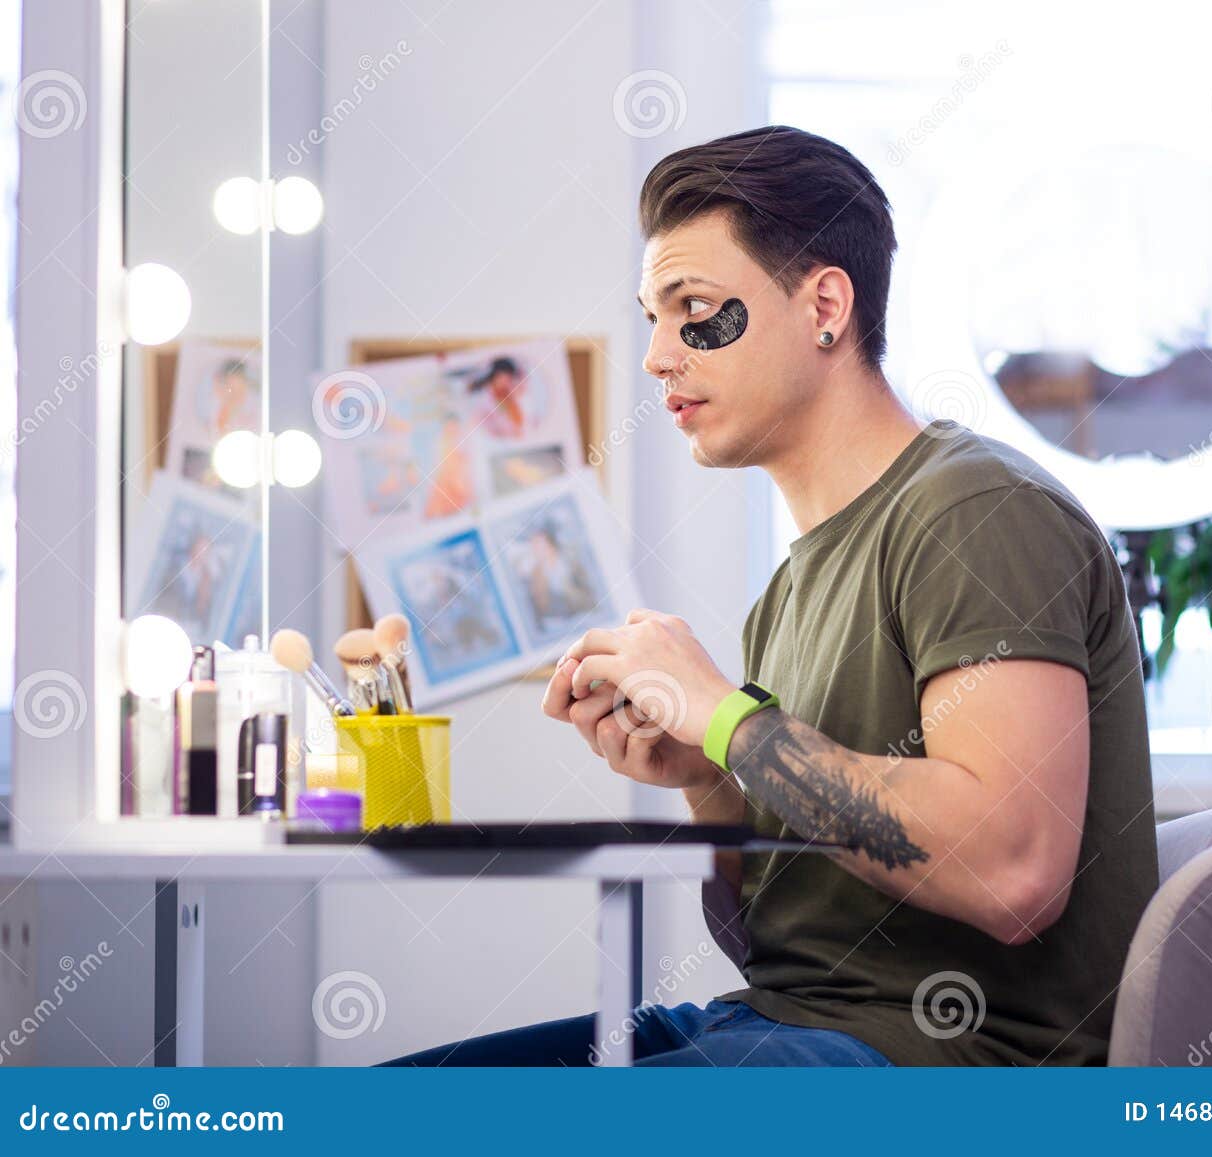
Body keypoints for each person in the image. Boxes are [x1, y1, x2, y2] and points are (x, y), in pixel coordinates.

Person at [385, 125, 1157, 1068]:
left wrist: (731, 719)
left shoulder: (976, 510)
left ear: (824, 304)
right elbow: (781, 948)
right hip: (775, 1024)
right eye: (652, 317)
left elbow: (1010, 873)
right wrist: (708, 776)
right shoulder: (791, 587)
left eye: (695, 308)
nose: (658, 356)